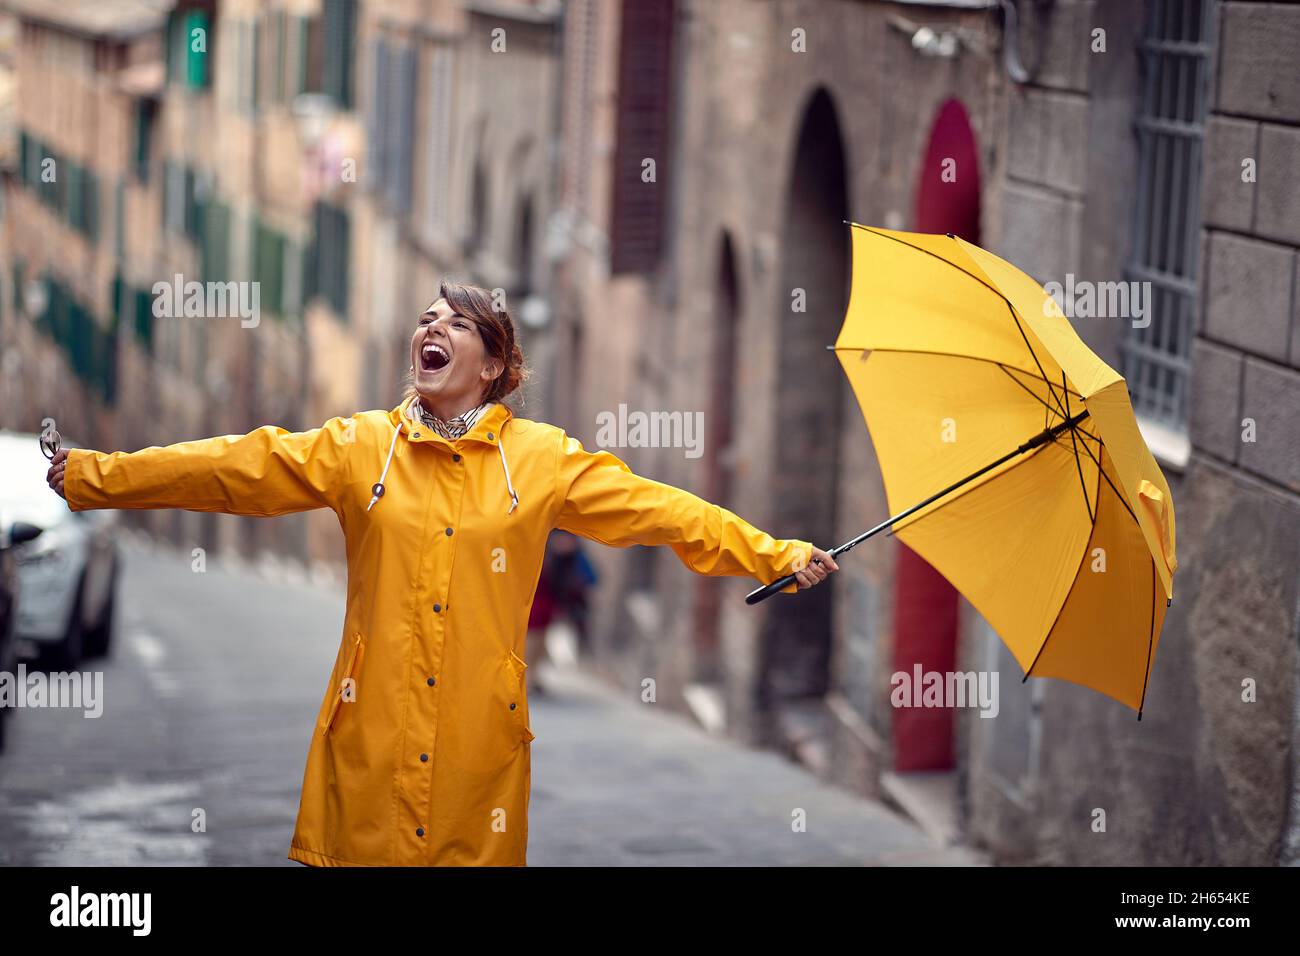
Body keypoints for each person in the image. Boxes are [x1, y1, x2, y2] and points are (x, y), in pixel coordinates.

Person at [44, 279, 839, 867]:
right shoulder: (362, 448)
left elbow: (662, 511)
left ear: (493, 365)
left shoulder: (542, 461)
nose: (434, 328)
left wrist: (774, 554)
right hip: (371, 739)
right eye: (427, 319)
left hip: (476, 750)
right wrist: (97, 475)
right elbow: (234, 468)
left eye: (459, 324)